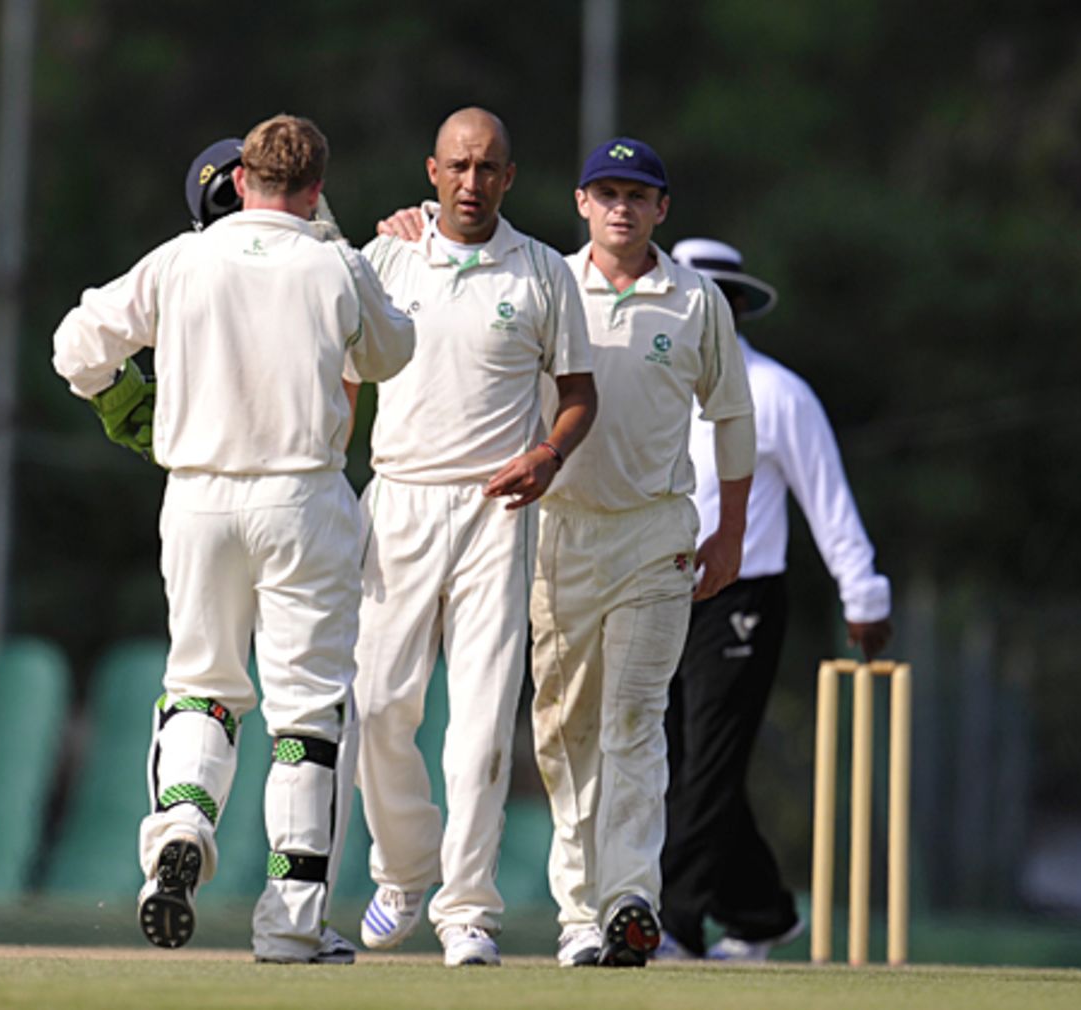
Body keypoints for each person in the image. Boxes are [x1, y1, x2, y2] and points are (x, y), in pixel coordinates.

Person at [52, 114, 415, 963]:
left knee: (201, 685)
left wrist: (123, 399)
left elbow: (76, 349)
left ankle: (181, 821)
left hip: (199, 498)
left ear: (240, 178)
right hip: (301, 498)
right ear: (316, 187)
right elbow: (392, 354)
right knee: (308, 712)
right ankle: (289, 923)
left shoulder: (182, 260)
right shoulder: (333, 260)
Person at [351, 107, 597, 967]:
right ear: (431, 170)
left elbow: (578, 395)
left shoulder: (541, 272)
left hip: (498, 510)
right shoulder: (386, 258)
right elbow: (346, 383)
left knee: (485, 725)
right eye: (457, 166)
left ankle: (468, 911)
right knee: (379, 705)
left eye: (487, 168)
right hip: (399, 499)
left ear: (509, 177)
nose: (470, 183)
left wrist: (547, 456)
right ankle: (404, 867)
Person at [529, 139, 756, 967]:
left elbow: (733, 415)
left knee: (633, 718)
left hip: (656, 533)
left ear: (663, 209)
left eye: (639, 195)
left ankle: (630, 898)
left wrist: (729, 529)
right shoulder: (549, 282)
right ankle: (579, 916)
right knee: (563, 727)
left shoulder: (695, 300)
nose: (622, 207)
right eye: (607, 192)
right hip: (561, 531)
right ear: (582, 203)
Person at [655, 237, 893, 961]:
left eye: (715, 300)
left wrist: (865, 594)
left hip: (744, 599)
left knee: (710, 766)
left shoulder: (780, 394)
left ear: (735, 308)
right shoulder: (655, 384)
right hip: (659, 595)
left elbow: (829, 502)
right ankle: (757, 911)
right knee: (665, 762)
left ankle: (675, 923)